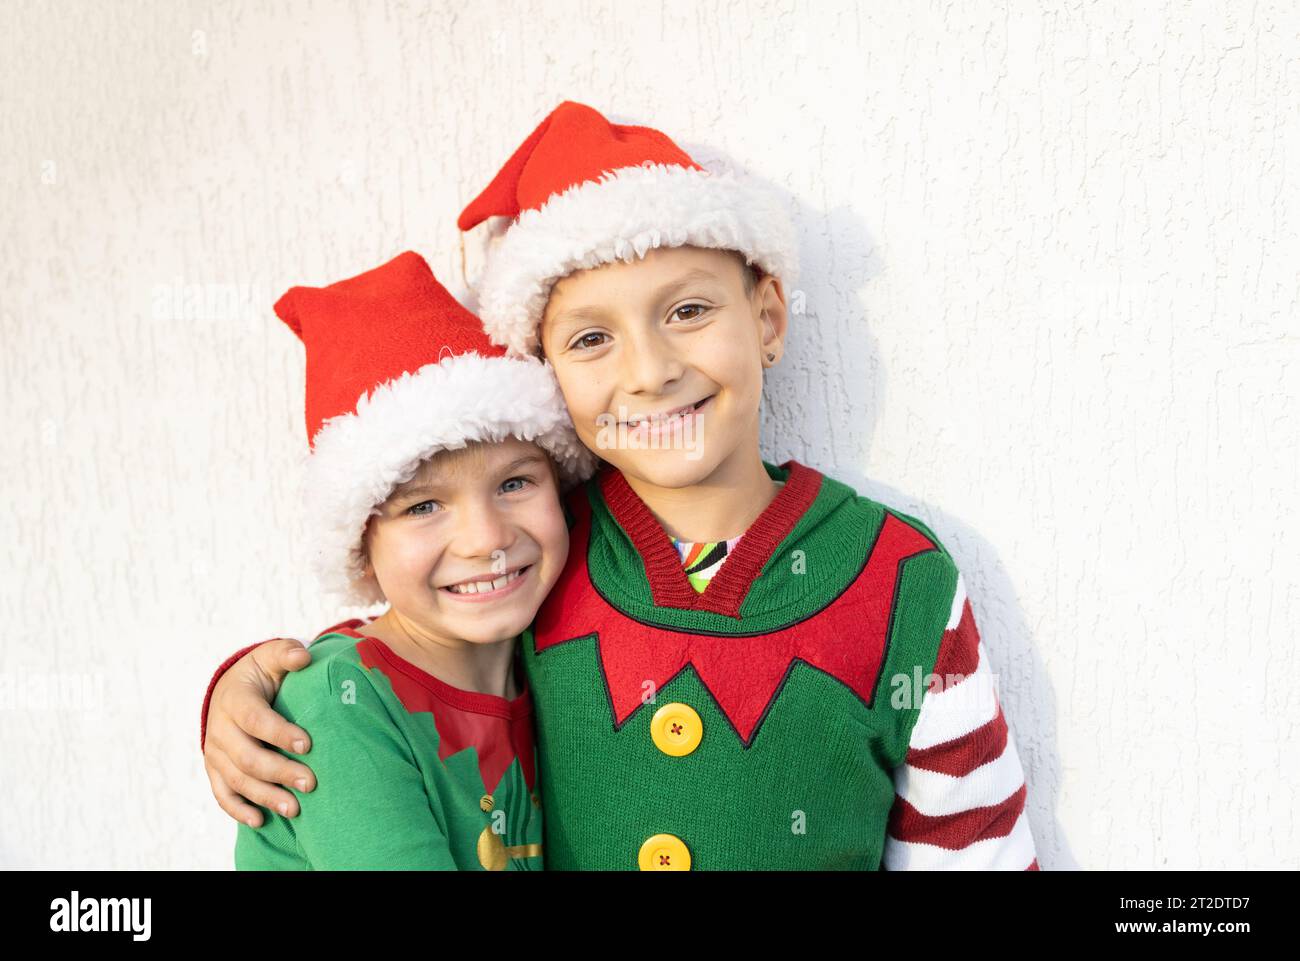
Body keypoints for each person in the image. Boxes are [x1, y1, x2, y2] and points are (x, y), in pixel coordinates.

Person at [205, 102, 1038, 870]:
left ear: (770, 318)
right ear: (548, 374)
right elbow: (423, 638)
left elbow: (976, 847)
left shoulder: (901, 582)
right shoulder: (550, 546)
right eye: (593, 337)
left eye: (688, 312)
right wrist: (252, 683)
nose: (650, 372)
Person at [231, 249, 593, 869]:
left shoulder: (549, 659)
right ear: (360, 550)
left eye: (514, 485)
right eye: (423, 507)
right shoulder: (337, 707)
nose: (485, 539)